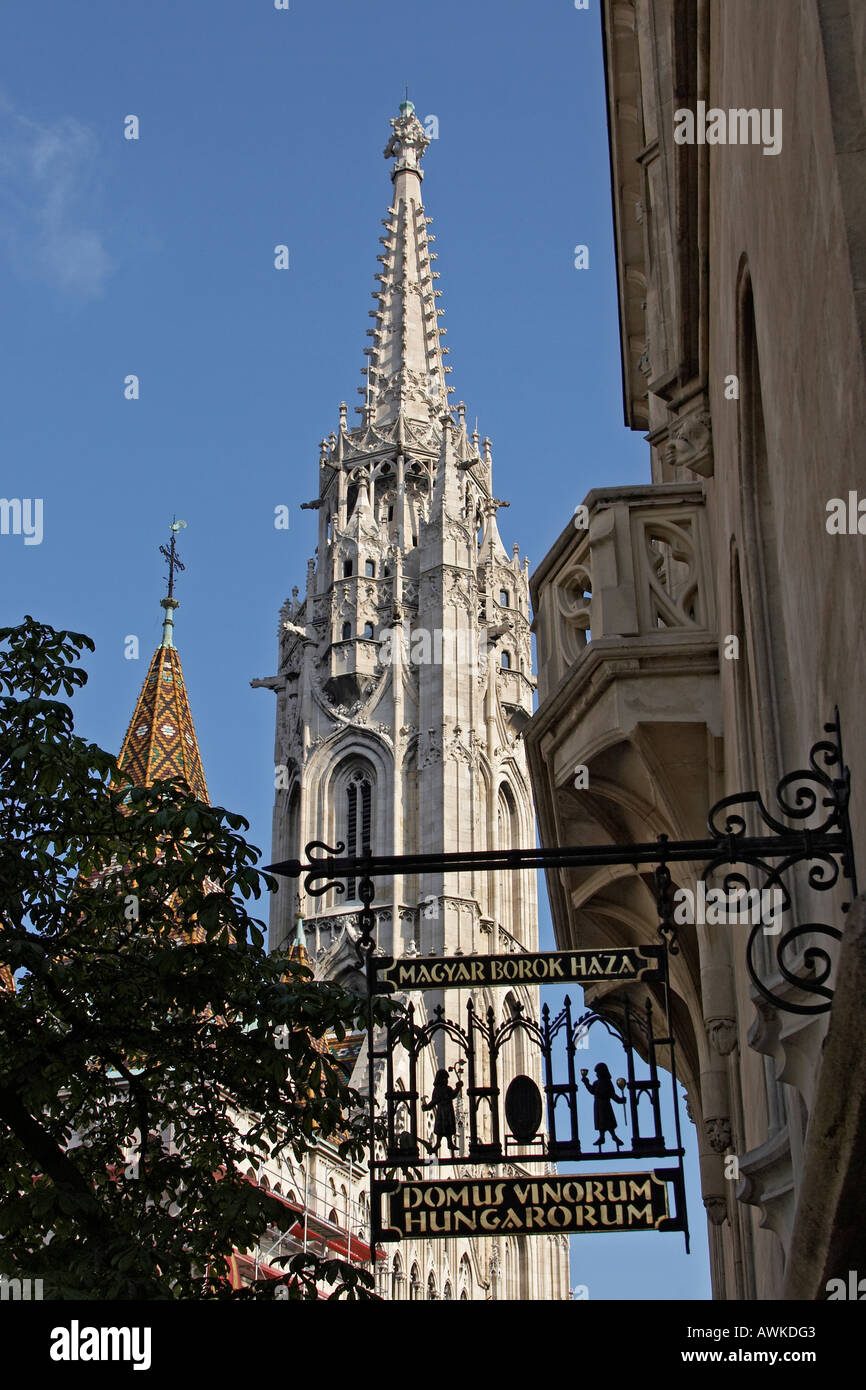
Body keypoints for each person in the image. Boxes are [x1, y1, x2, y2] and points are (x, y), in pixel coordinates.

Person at [580, 1062, 626, 1148]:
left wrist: (620, 1100)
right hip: (598, 1104)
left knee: (608, 1121)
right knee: (601, 1122)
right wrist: (586, 1082)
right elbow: (592, 1091)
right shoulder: (596, 1083)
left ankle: (613, 1136)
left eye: (598, 1072)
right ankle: (602, 1137)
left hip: (605, 1105)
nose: (597, 1074)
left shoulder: (607, 1082)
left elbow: (612, 1094)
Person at [422, 1068, 463, 1155]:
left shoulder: (447, 1088)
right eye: (445, 1078)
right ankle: (438, 1144)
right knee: (441, 1129)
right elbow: (434, 1101)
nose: (446, 1080)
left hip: (447, 1111)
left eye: (447, 1079)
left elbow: (453, 1095)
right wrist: (427, 1107)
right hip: (443, 1111)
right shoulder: (437, 1089)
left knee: (447, 1129)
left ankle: (449, 1143)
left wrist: (458, 1088)